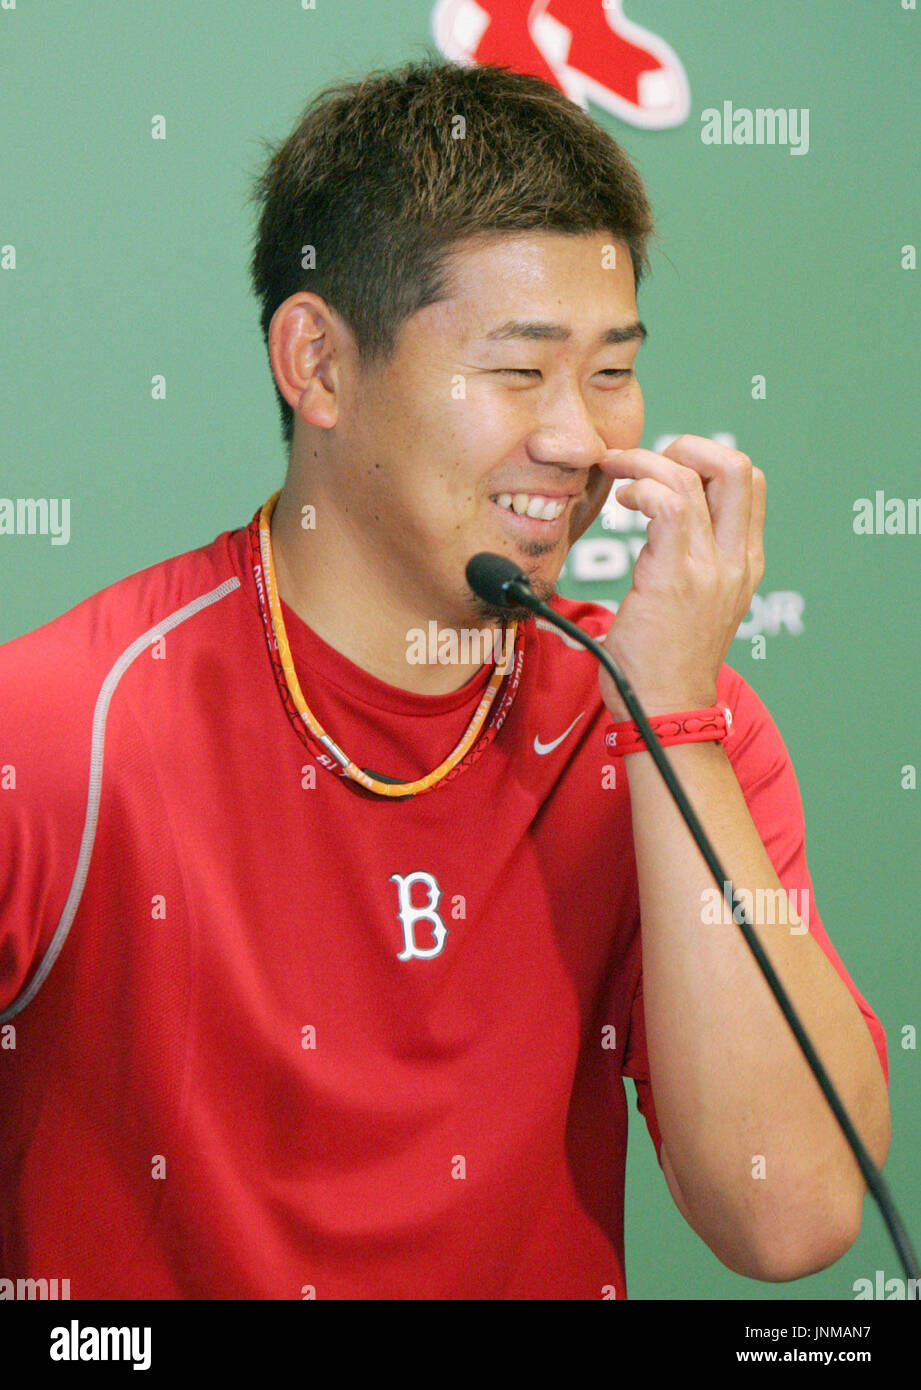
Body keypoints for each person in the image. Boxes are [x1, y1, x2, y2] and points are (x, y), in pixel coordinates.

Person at [0, 58, 889, 1300]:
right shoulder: (56, 734)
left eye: (613, 369)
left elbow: (790, 1215)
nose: (579, 437)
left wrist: (674, 715)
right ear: (317, 363)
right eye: (521, 371)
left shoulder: (670, 725)